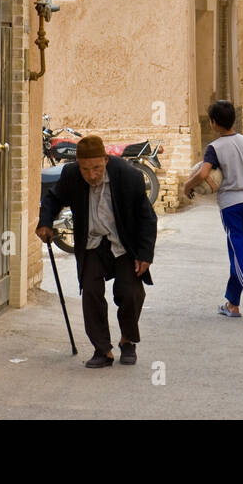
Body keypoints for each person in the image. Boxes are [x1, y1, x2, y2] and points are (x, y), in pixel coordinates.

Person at [36, 135, 157, 368]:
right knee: (91, 292)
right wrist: (45, 222)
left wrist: (145, 255)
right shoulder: (71, 175)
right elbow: (53, 198)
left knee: (131, 292)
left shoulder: (129, 176)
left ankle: (127, 340)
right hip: (92, 242)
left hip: (122, 243)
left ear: (105, 160)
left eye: (97, 168)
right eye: (85, 169)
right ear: (78, 165)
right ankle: (102, 350)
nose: (91, 175)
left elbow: (147, 218)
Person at [181, 100, 243, 325]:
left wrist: (187, 185)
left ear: (213, 123)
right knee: (241, 253)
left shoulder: (215, 147)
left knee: (240, 254)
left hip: (231, 205)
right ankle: (232, 304)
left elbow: (204, 173)